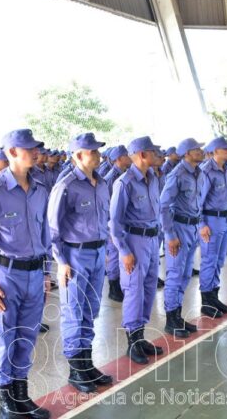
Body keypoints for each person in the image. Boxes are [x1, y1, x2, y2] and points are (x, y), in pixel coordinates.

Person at [0, 129, 51, 419]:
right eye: (30, 148)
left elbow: (45, 236)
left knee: (26, 338)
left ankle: (21, 395)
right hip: (6, 276)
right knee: (4, 337)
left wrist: (46, 271)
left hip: (33, 275)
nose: (36, 152)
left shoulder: (40, 190)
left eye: (36, 147)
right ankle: (6, 402)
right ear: (12, 152)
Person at [48, 133, 113, 393]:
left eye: (98, 150)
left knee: (90, 309)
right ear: (77, 156)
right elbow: (52, 230)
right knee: (74, 310)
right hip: (75, 256)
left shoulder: (103, 182)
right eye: (92, 151)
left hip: (97, 253)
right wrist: (61, 262)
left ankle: (87, 364)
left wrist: (105, 249)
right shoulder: (66, 186)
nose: (98, 155)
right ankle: (76, 369)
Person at [109, 136, 164, 365]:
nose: (157, 155)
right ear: (142, 154)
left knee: (149, 288)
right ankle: (132, 342)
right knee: (133, 290)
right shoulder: (125, 183)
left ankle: (140, 337)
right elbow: (114, 221)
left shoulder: (152, 178)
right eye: (153, 151)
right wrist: (124, 251)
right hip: (133, 242)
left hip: (151, 241)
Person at [160, 138, 205, 338]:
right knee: (175, 274)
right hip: (179, 228)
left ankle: (177, 314)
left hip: (193, 226)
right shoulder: (177, 174)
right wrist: (170, 235)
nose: (201, 152)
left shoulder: (198, 173)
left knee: (186, 275)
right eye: (197, 149)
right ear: (187, 153)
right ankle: (170, 319)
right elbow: (163, 206)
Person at [198, 137, 227, 317]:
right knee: (209, 260)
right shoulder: (206, 171)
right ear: (215, 151)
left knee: (219, 260)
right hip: (211, 221)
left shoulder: (226, 170)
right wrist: (201, 224)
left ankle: (214, 295)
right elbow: (198, 201)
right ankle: (206, 301)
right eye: (225, 148)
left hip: (224, 220)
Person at [103, 145, 130, 302]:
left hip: (124, 222)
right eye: (126, 155)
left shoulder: (125, 175)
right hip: (113, 224)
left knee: (121, 255)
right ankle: (113, 288)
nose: (129, 157)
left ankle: (119, 284)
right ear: (119, 158)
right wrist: (111, 229)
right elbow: (106, 206)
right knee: (114, 254)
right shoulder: (111, 178)